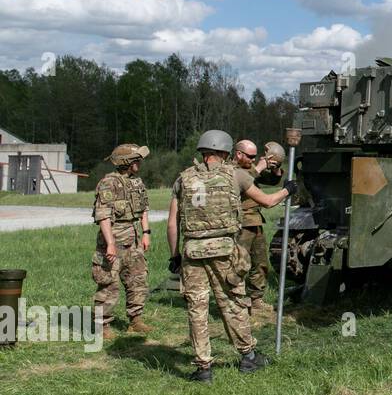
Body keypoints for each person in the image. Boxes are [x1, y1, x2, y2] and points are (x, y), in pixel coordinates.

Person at [167, 130, 294, 382]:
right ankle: (248, 357)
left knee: (197, 310)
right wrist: (288, 190)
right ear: (226, 152)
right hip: (224, 252)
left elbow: (172, 224)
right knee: (233, 303)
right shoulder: (236, 175)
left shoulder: (183, 179)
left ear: (202, 151)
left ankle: (203, 368)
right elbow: (267, 201)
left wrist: (175, 256)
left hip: (192, 252)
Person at [91, 143, 153, 340]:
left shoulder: (137, 182)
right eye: (137, 160)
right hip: (114, 241)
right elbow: (103, 216)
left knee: (138, 280)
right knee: (109, 284)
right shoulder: (109, 183)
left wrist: (146, 232)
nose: (140, 163)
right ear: (127, 162)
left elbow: (143, 209)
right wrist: (109, 243)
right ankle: (103, 325)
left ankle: (135, 320)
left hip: (133, 240)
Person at [232, 139, 292, 318]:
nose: (253, 159)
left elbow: (271, 180)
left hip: (255, 220)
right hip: (240, 222)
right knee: (239, 264)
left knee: (260, 263)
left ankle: (256, 300)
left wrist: (274, 168)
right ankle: (236, 301)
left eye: (255, 156)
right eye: (250, 156)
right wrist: (258, 167)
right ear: (238, 154)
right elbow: (243, 183)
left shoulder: (249, 168)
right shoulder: (230, 170)